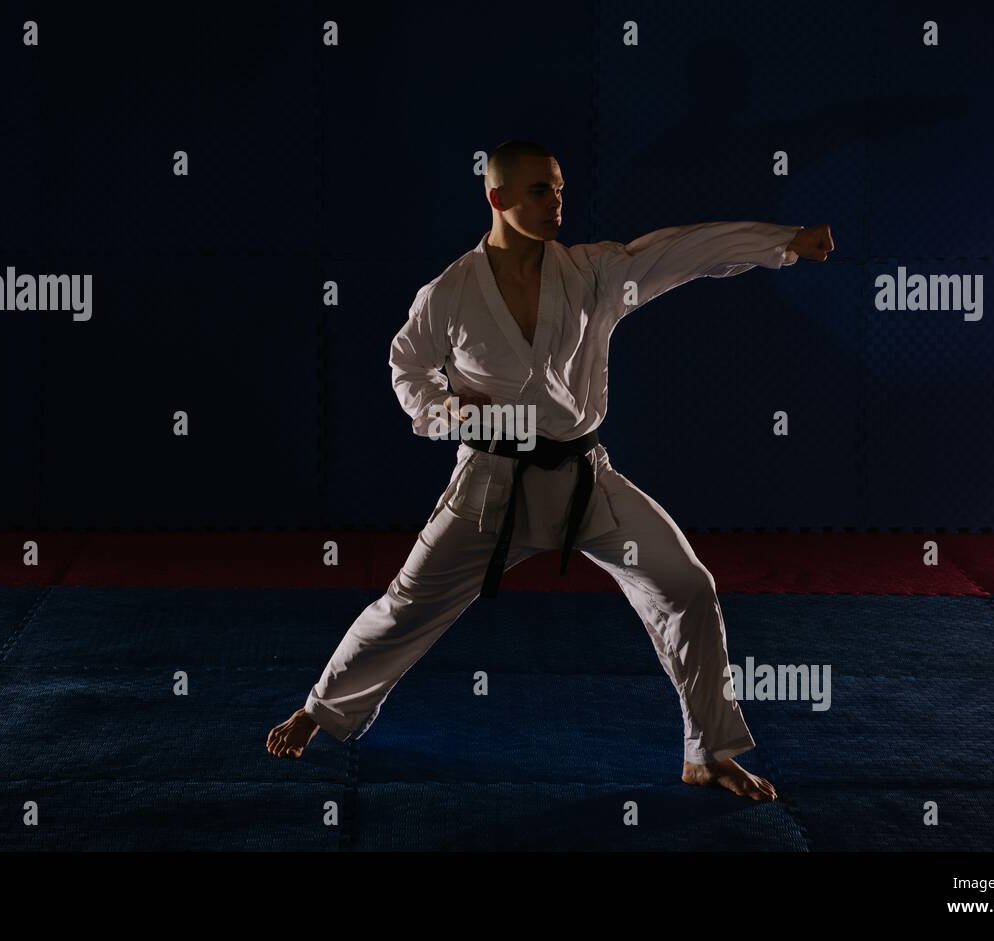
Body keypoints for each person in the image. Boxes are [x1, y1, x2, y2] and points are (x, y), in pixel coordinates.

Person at [268, 140, 834, 801]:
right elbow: (407, 368)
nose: (555, 202)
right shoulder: (450, 292)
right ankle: (321, 706)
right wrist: (449, 409)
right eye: (538, 190)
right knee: (405, 608)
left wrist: (783, 242)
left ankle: (707, 751)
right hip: (491, 488)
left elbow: (683, 252)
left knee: (686, 586)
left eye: (559, 189)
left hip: (586, 481)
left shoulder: (594, 273)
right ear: (498, 198)